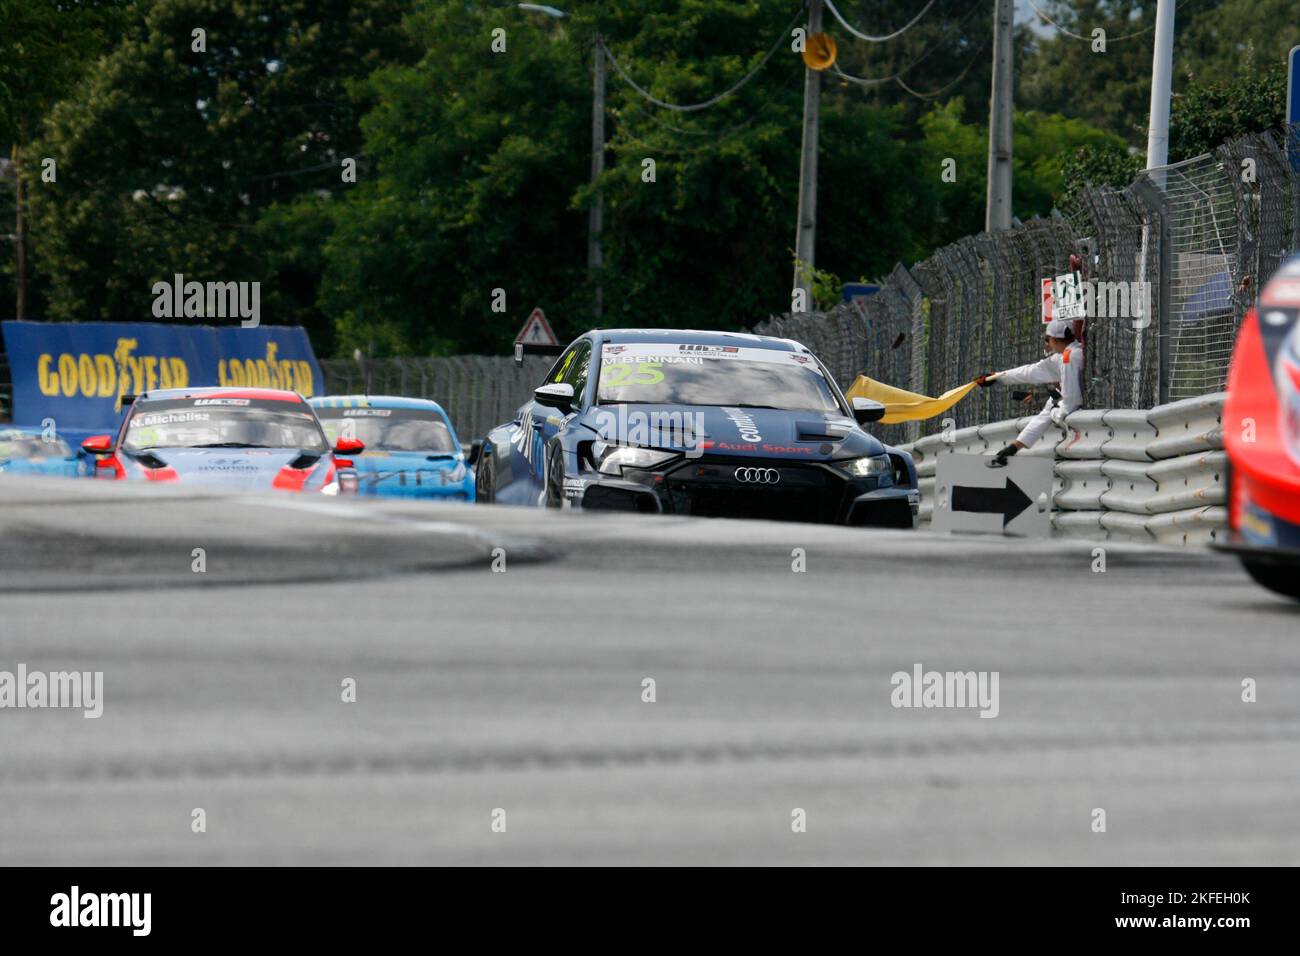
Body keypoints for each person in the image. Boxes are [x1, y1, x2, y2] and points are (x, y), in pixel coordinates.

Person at [976, 318, 1083, 468]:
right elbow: (1030, 372)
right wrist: (997, 377)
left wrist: (1056, 414)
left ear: (1053, 339)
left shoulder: (1068, 357)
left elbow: (1070, 400)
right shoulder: (1066, 355)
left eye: (1046, 339)